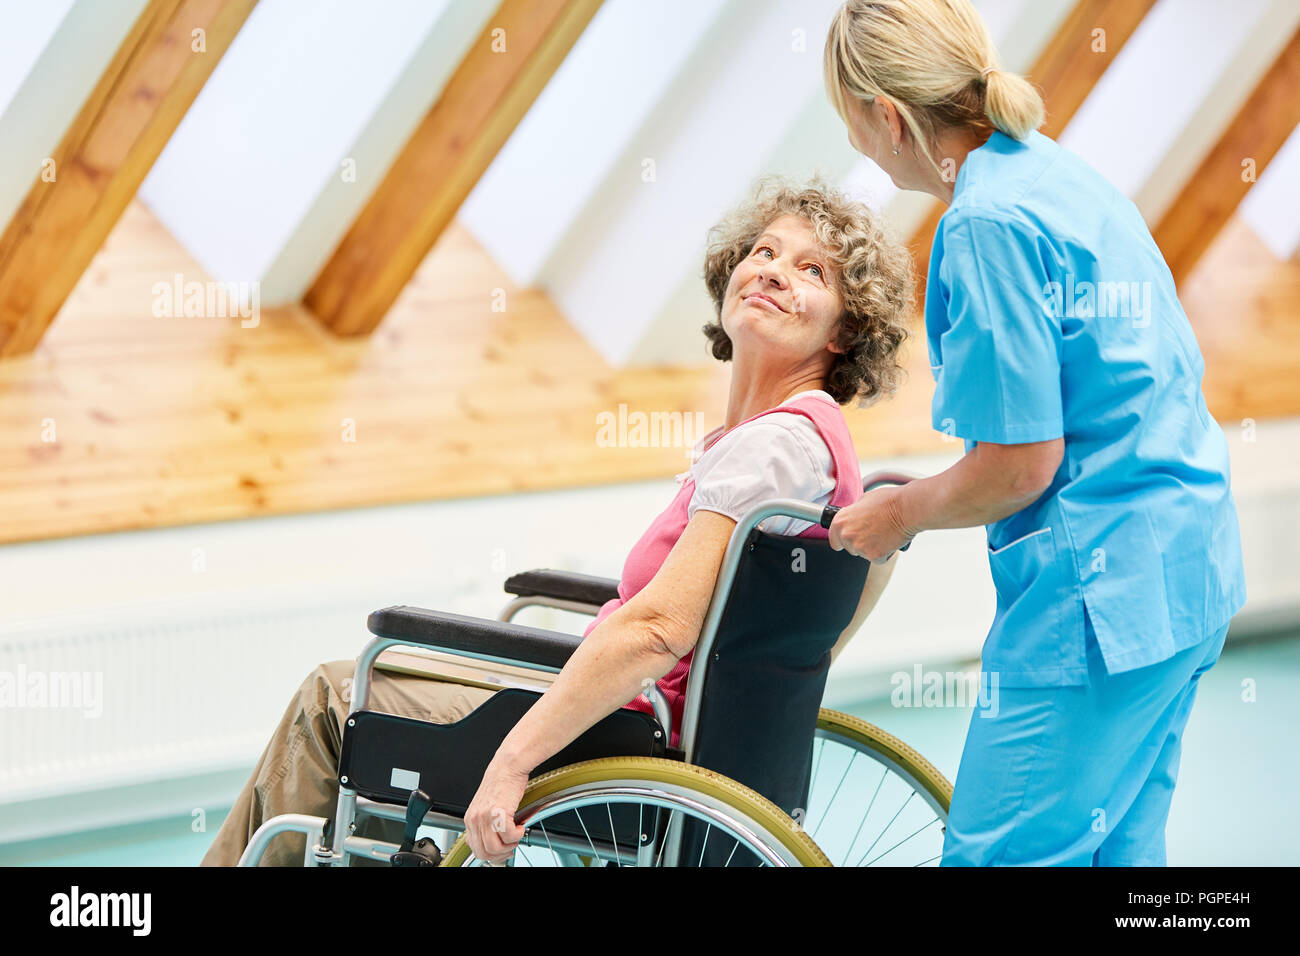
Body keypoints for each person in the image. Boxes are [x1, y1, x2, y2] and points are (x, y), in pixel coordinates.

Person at [202, 176, 914, 865]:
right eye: (764, 252)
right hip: (651, 723)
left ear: (846, 333)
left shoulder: (771, 450)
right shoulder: (802, 444)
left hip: (629, 734)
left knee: (335, 696)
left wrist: (513, 762)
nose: (773, 272)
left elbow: (658, 629)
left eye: (811, 269)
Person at [820, 0, 1247, 865]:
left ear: (889, 118)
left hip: (1103, 600)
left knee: (999, 855)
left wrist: (898, 516)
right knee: (1117, 854)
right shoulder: (1057, 176)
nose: (857, 145)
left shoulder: (984, 225)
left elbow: (1021, 468)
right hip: (1188, 573)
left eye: (850, 123)